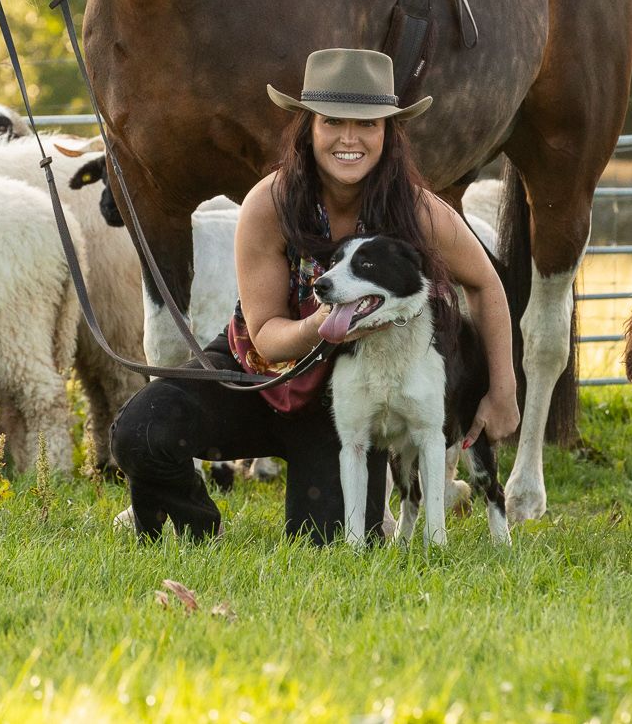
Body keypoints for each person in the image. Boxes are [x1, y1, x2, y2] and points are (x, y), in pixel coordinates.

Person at [110, 48, 521, 543]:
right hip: (253, 376)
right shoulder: (270, 202)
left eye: (367, 124)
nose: (350, 138)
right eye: (332, 122)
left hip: (348, 395)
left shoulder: (416, 209)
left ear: (388, 134)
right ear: (308, 129)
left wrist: (503, 391)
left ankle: (353, 504)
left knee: (327, 539)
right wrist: (327, 321)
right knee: (142, 429)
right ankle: (197, 527)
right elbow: (267, 337)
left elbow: (484, 283)